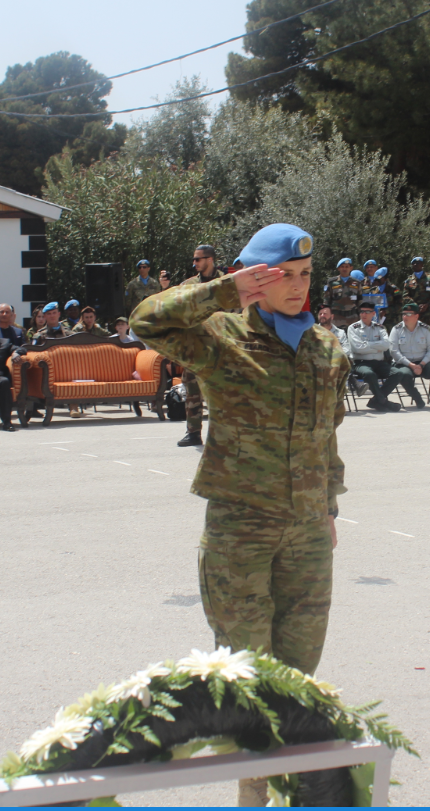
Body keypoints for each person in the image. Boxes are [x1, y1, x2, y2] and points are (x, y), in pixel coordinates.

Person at [129, 225, 349, 809]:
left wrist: (328, 505)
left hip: (306, 534)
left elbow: (327, 437)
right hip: (241, 530)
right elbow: (146, 322)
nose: (298, 287)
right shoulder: (221, 335)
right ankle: (253, 798)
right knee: (249, 677)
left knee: (298, 680)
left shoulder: (328, 347)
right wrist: (227, 290)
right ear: (255, 276)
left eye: (305, 275)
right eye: (283, 276)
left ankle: (295, 796)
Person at [177, 244, 229, 447]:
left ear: (210, 260)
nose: (194, 263)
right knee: (191, 388)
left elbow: (235, 313)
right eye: (194, 259)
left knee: (220, 391)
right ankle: (193, 432)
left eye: (198, 259)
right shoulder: (188, 284)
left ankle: (221, 434)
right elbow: (177, 307)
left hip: (218, 344)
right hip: (194, 343)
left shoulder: (224, 283)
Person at [389, 303, 430, 410]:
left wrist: (421, 364)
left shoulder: (426, 329)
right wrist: (411, 365)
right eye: (404, 314)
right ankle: (417, 399)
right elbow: (394, 351)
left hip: (423, 361)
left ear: (416, 316)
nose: (405, 317)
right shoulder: (396, 329)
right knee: (403, 374)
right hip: (404, 363)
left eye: (409, 314)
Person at [347, 302, 402, 411]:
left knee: (398, 373)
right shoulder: (353, 328)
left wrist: (367, 345)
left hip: (379, 362)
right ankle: (383, 401)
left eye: (367, 312)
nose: (364, 314)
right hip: (361, 362)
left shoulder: (379, 327)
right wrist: (377, 346)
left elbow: (387, 345)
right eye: (362, 312)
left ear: (373, 313)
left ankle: (376, 401)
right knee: (369, 374)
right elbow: (358, 348)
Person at [402, 256, 430, 332]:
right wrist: (416, 305)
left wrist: (428, 304)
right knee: (415, 331)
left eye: (418, 263)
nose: (416, 264)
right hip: (415, 312)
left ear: (422, 264)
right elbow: (405, 296)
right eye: (414, 263)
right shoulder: (408, 280)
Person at [323, 258, 362, 329]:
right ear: (338, 268)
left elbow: (360, 301)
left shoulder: (356, 283)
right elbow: (327, 301)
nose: (344, 269)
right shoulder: (332, 282)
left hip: (352, 318)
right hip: (336, 319)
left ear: (351, 268)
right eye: (342, 267)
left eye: (347, 266)